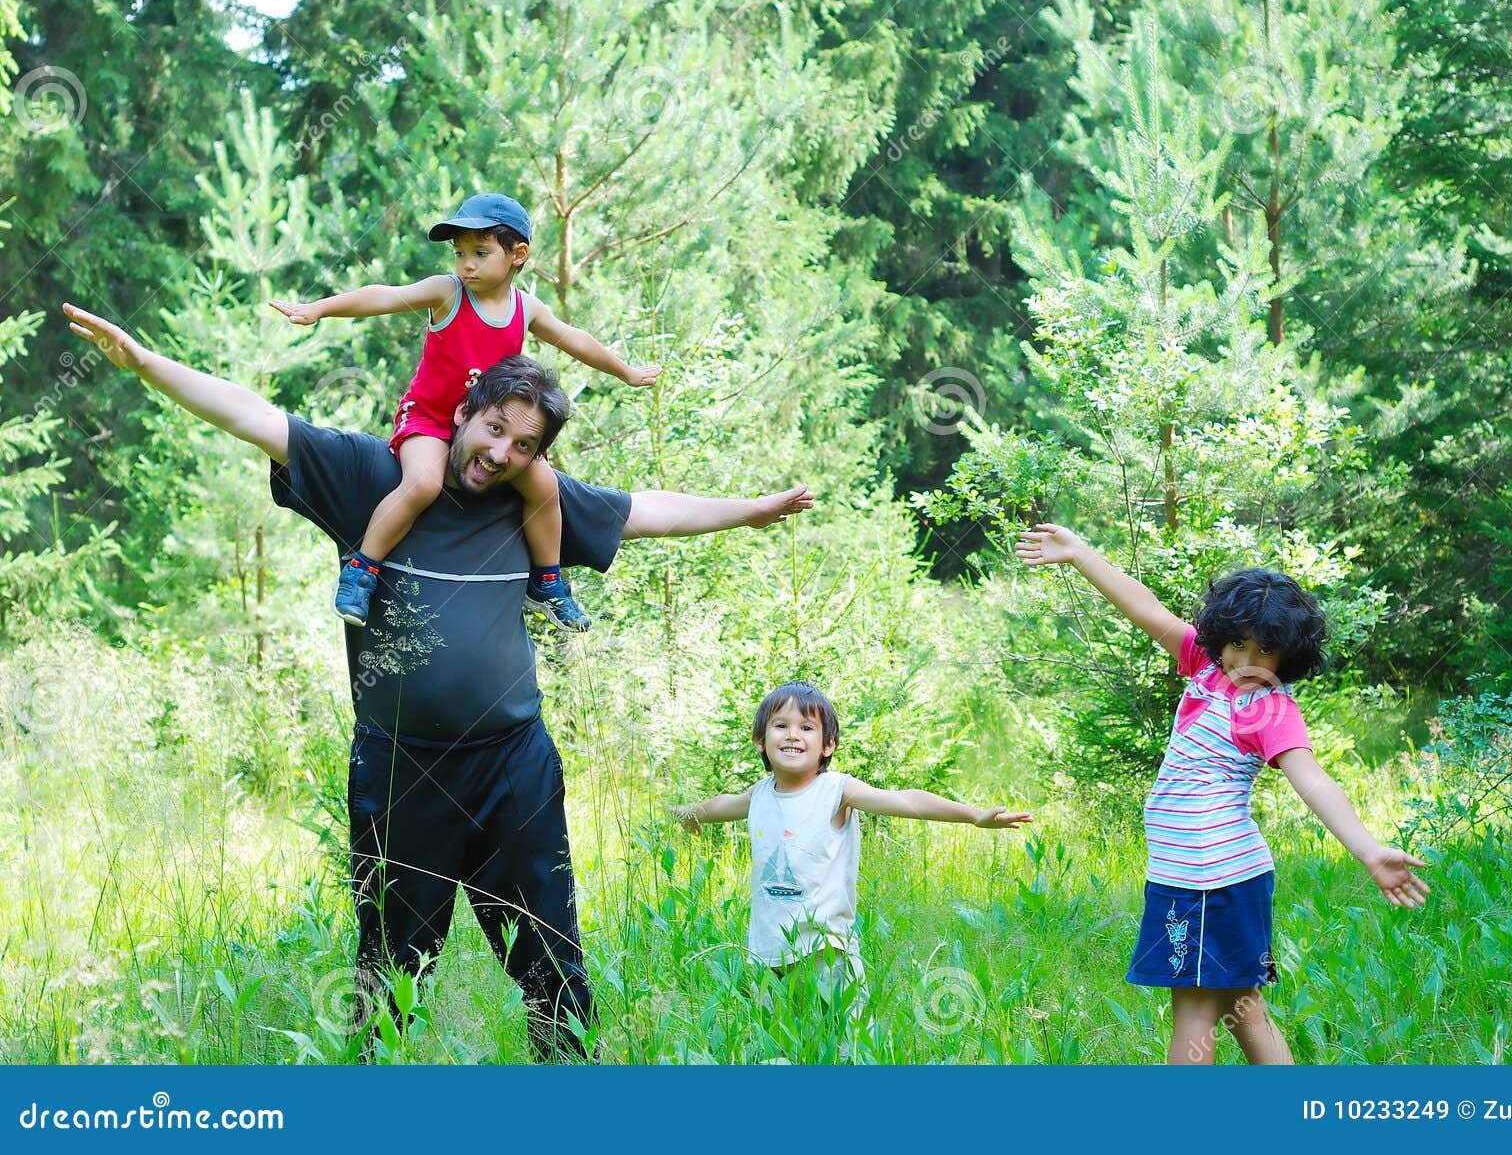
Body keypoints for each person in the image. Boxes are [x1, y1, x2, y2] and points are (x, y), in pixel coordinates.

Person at [62, 301, 812, 1060]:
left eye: (525, 447)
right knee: (388, 966)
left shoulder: (534, 504)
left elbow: (647, 510)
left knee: (551, 955)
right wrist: (147, 364)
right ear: (464, 410)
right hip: (400, 769)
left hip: (512, 765)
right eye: (494, 430)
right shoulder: (374, 477)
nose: (501, 454)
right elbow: (258, 417)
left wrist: (750, 511)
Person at [1016, 522, 1431, 1065]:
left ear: (1288, 658)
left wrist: (1368, 849)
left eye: (1265, 651)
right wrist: (1080, 554)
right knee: (1244, 1005)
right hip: (1193, 874)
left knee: (1193, 1011)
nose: (1246, 660)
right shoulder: (1205, 667)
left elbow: (1312, 780)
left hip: (1211, 877)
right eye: (1238, 644)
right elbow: (1146, 610)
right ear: (1220, 637)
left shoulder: (1270, 708)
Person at [270, 192, 660, 631]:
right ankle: (363, 569)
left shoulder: (525, 308)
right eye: (459, 254)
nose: (466, 264)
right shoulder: (447, 292)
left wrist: (625, 371)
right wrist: (319, 309)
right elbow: (383, 296)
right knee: (421, 484)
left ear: (518, 255)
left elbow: (574, 339)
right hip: (432, 419)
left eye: (480, 252)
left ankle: (547, 581)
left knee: (544, 485)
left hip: (490, 429)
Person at [671, 681, 1031, 1015]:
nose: (793, 734)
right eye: (780, 725)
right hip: (768, 955)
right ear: (760, 740)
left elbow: (906, 800)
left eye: (807, 727)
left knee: (845, 1045)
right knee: (781, 1047)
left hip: (827, 955)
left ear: (828, 744)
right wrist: (687, 814)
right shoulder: (760, 794)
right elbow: (722, 804)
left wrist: (973, 816)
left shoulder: (836, 791)